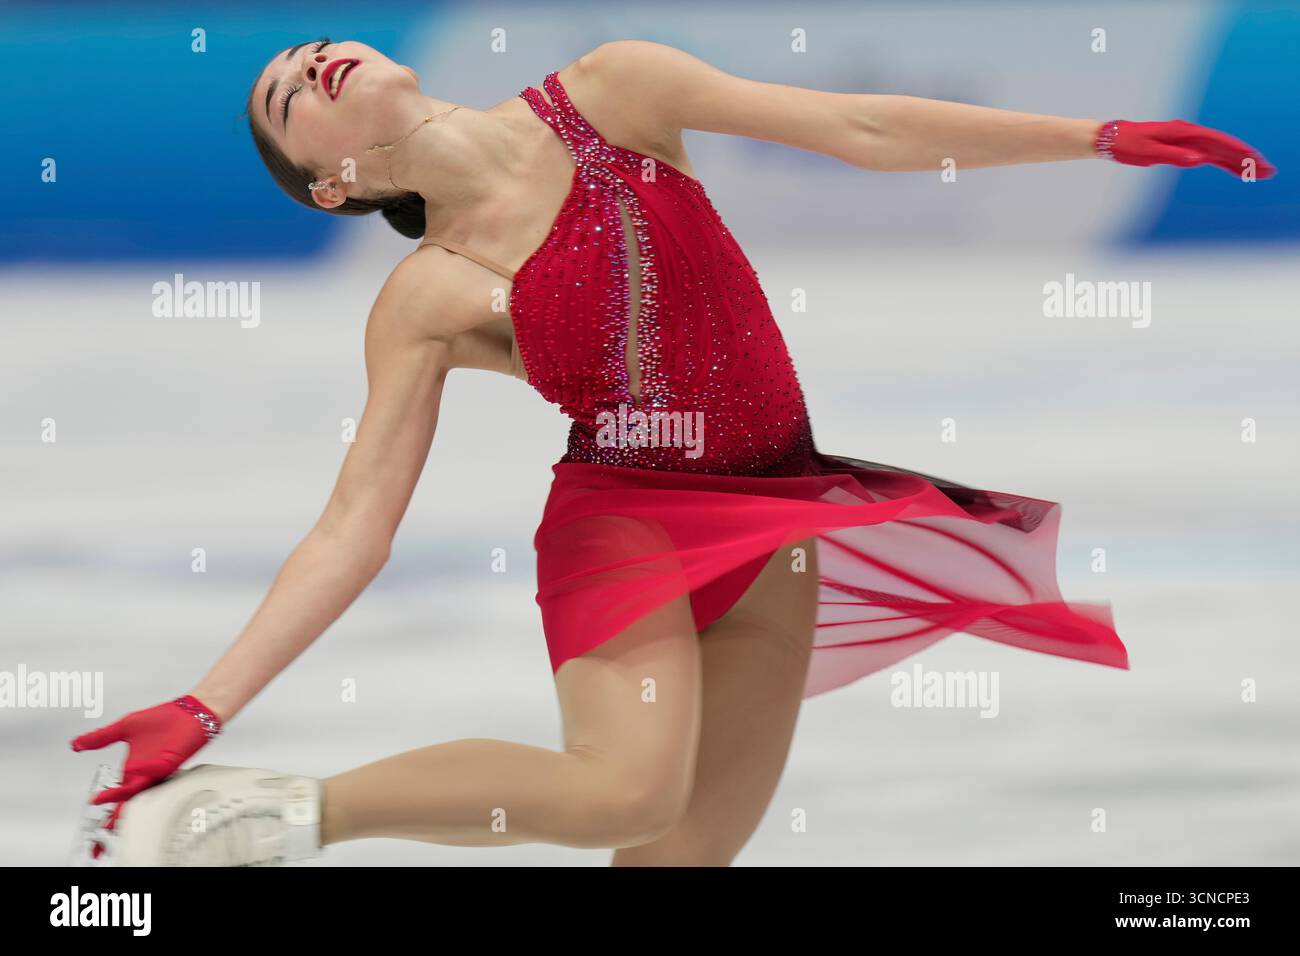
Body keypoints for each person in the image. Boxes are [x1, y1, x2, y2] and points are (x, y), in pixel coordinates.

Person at [69, 39, 1273, 866]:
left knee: (688, 851)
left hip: (779, 515)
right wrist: (205, 702)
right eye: (288, 96)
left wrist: (1094, 132)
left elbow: (858, 124)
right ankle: (272, 814)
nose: (307, 63)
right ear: (331, 183)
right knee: (622, 787)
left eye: (308, 51)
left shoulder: (607, 90)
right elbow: (354, 524)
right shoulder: (428, 293)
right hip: (625, 525)